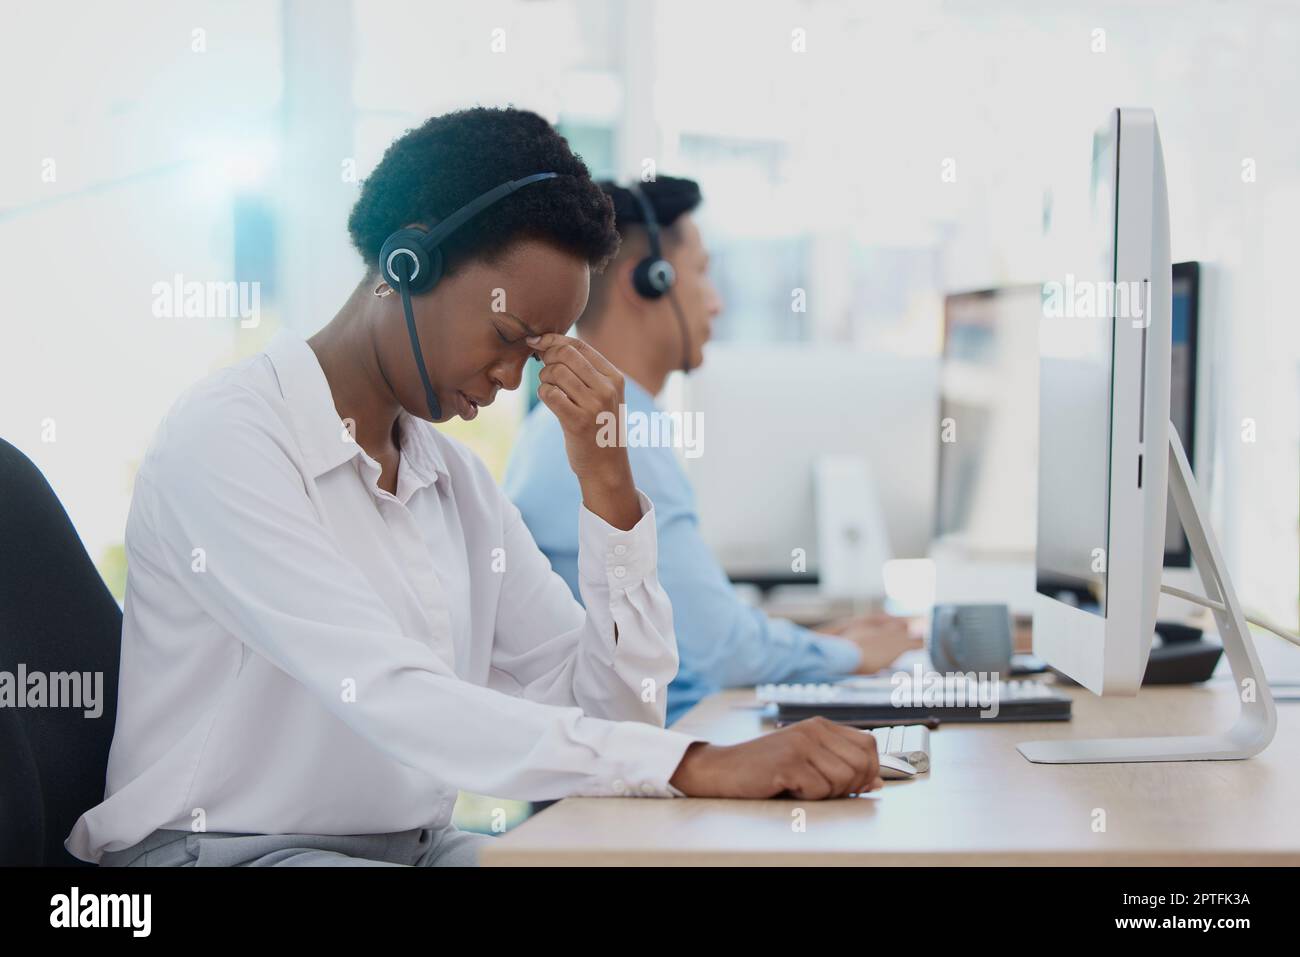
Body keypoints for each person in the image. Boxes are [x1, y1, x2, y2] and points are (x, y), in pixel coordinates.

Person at [66, 111, 883, 868]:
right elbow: (391, 693)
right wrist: (696, 761)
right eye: (504, 336)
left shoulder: (449, 477)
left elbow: (615, 719)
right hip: (220, 852)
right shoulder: (230, 437)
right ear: (406, 261)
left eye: (535, 352)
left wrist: (608, 483)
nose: (509, 376)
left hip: (411, 847)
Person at [505, 176, 920, 725]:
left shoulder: (603, 424)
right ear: (649, 282)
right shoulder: (603, 434)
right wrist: (850, 655)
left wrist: (815, 645)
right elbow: (720, 649)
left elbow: (705, 630)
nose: (717, 302)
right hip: (636, 771)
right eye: (702, 272)